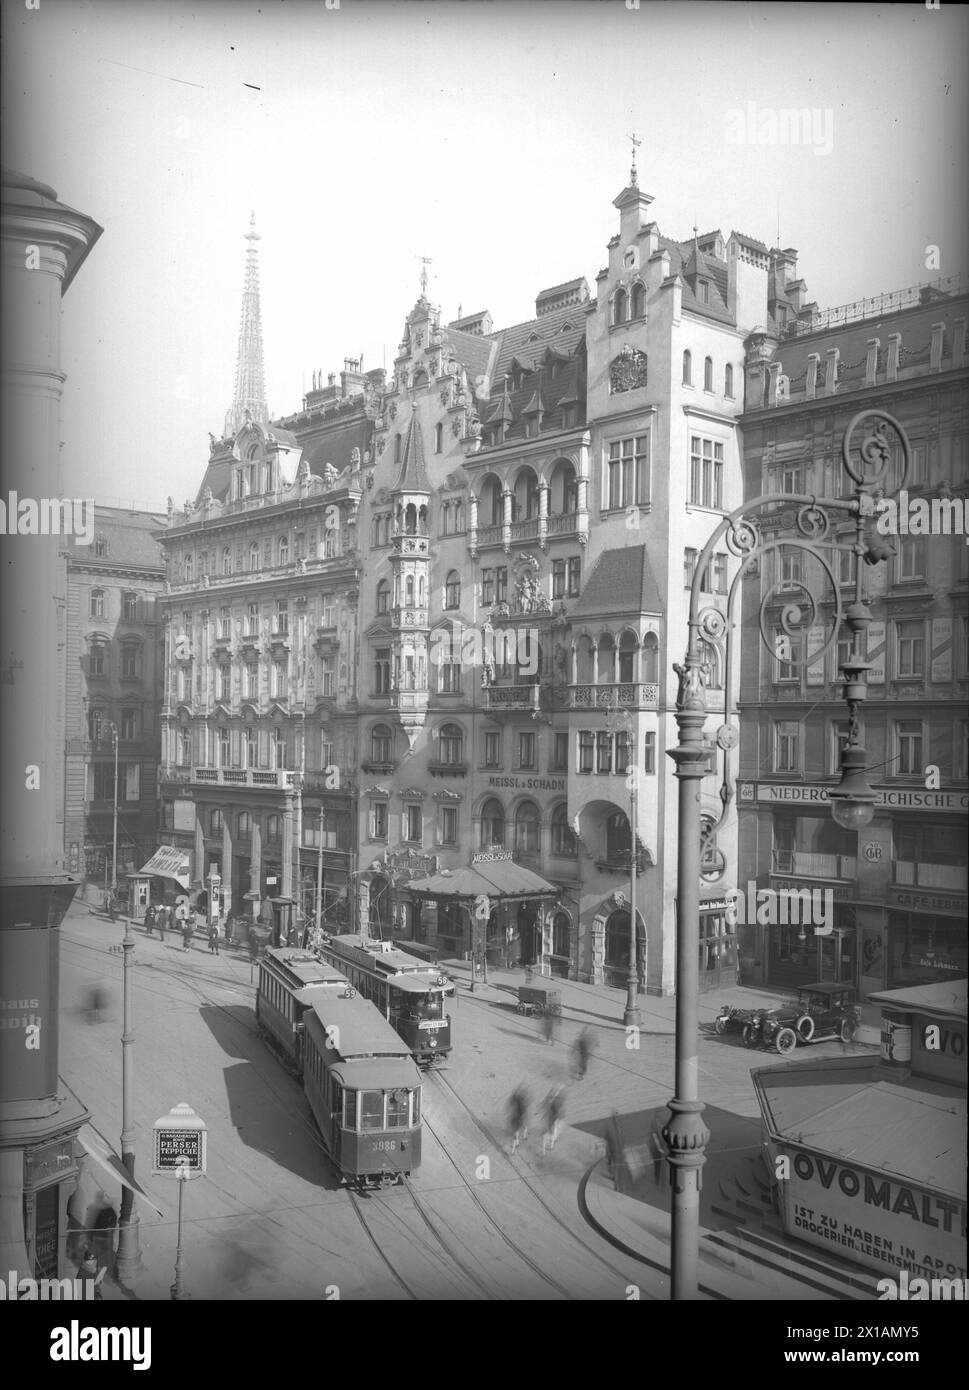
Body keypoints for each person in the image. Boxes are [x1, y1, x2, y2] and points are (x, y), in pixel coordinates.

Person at [542, 1084, 565, 1153]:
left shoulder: (554, 1104)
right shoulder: (555, 1103)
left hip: (555, 1118)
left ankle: (551, 1144)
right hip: (555, 1118)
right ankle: (552, 1145)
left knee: (554, 1130)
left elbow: (551, 1100)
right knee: (555, 1131)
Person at [508, 1084, 530, 1154]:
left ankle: (516, 1144)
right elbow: (524, 1109)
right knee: (524, 1126)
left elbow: (511, 1102)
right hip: (520, 1118)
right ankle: (524, 1136)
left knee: (516, 1133)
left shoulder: (517, 1101)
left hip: (516, 1119)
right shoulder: (521, 1102)